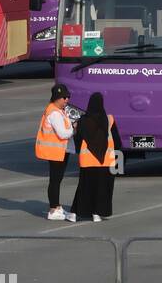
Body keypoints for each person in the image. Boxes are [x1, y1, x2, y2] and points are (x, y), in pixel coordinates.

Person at [72, 92, 118, 222]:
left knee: (86, 188)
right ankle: (98, 213)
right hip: (106, 161)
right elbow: (117, 141)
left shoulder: (82, 121)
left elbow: (78, 141)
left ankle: (83, 211)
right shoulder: (109, 119)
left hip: (87, 161)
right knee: (103, 189)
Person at [35, 82, 76, 222]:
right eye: (64, 97)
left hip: (60, 151)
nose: (67, 100)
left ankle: (57, 206)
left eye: (68, 97)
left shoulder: (58, 111)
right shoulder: (54, 113)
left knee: (57, 180)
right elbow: (63, 133)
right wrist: (74, 130)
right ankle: (53, 209)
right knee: (55, 180)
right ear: (57, 98)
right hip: (55, 152)